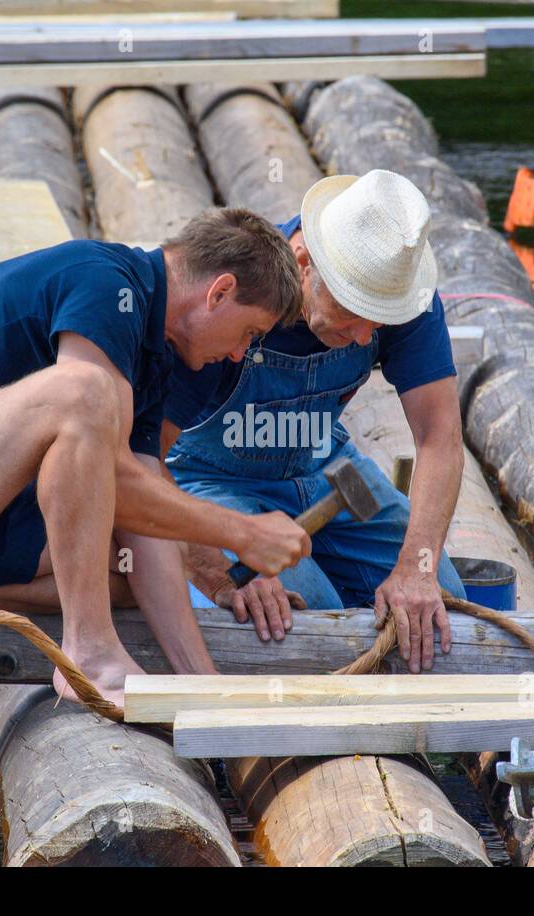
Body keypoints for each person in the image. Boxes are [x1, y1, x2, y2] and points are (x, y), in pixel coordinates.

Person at [0, 207, 311, 722]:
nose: (239, 354)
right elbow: (118, 475)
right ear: (219, 292)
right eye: (250, 333)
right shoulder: (105, 281)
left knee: (118, 567)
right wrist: (242, 533)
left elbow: (139, 517)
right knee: (84, 391)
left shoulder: (153, 357)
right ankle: (89, 653)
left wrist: (207, 689)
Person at [162, 170, 468, 674]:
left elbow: (439, 437)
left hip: (330, 468)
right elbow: (144, 459)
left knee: (441, 612)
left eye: (380, 320)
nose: (366, 333)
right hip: (212, 480)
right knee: (300, 624)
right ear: (303, 263)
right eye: (353, 311)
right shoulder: (236, 298)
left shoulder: (401, 290)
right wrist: (215, 569)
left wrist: (417, 566)